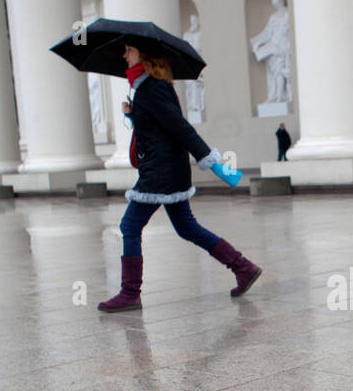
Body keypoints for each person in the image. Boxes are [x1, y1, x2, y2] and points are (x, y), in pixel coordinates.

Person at [98, 44, 261, 312]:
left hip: (160, 173)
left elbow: (180, 128)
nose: (124, 55)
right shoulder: (148, 89)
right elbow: (159, 128)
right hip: (167, 170)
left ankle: (130, 293)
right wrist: (134, 114)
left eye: (129, 50)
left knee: (129, 226)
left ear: (144, 55)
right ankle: (244, 268)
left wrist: (210, 160)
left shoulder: (152, 89)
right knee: (186, 227)